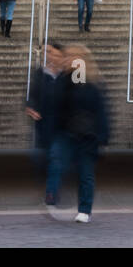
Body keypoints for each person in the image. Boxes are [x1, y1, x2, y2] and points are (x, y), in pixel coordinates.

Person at [54, 44, 110, 223]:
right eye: (68, 56)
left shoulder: (91, 82)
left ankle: (84, 209)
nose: (69, 59)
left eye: (73, 57)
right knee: (61, 166)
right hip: (67, 133)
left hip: (87, 135)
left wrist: (103, 136)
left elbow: (100, 110)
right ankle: (56, 197)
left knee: (85, 173)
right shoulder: (64, 80)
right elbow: (58, 105)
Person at [27, 42, 67, 202]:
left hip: (61, 125)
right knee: (41, 159)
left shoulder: (69, 75)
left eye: (55, 54)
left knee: (55, 157)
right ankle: (50, 182)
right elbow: (32, 95)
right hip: (43, 125)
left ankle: (51, 191)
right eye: (49, 53)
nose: (51, 57)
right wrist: (30, 107)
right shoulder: (40, 73)